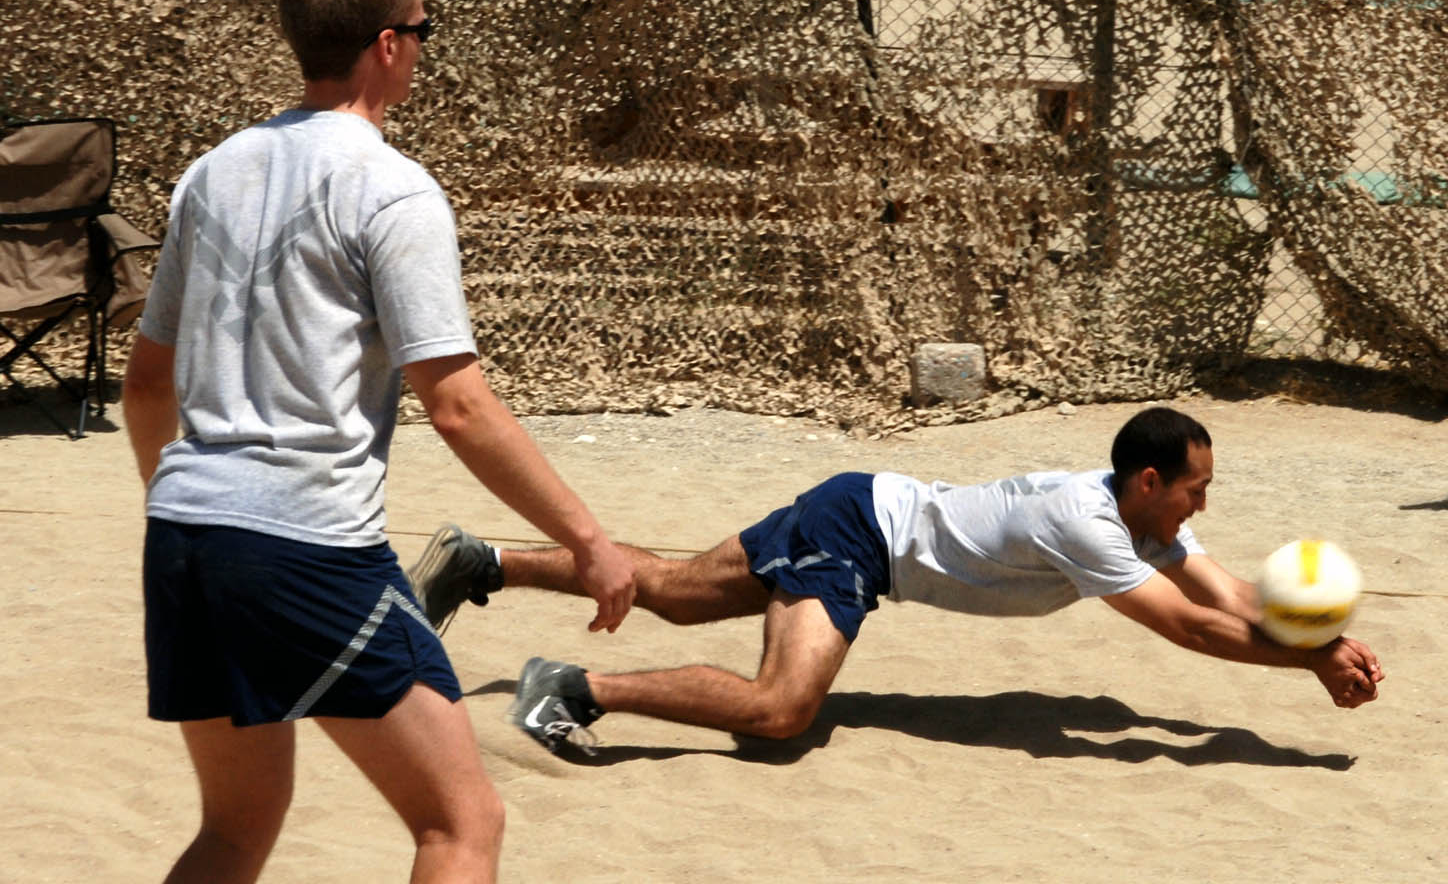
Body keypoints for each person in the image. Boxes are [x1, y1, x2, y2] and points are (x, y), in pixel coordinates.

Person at [123, 0, 635, 883]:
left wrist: (198, 510)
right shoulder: (392, 188)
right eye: (424, 29)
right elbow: (460, 407)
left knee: (234, 829)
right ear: (389, 45)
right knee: (462, 822)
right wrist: (588, 541)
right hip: (305, 542)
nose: (426, 47)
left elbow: (146, 386)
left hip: (185, 534)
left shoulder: (213, 172)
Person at [408, 406, 1384, 754]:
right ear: (1149, 481)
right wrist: (1305, 661)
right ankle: (570, 688)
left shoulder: (1145, 516)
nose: (1202, 505)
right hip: (859, 535)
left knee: (665, 588)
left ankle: (482, 562)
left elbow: (1227, 596)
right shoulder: (1087, 522)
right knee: (782, 709)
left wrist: (1320, 642)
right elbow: (1187, 627)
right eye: (1196, 488)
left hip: (859, 502)